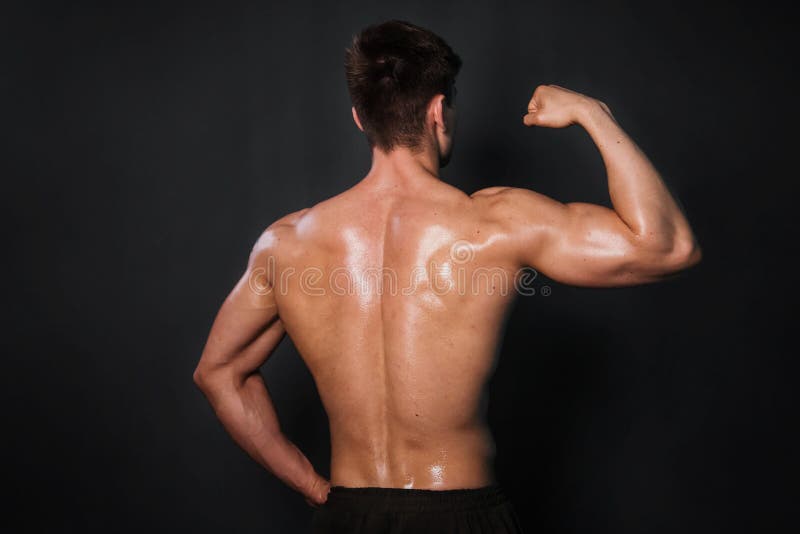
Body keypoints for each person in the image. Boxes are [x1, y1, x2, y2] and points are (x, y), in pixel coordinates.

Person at [192, 19, 702, 534]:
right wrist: (595, 114)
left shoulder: (286, 244)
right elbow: (668, 245)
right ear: (439, 111)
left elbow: (218, 373)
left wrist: (310, 484)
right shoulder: (495, 223)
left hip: (347, 516)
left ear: (359, 118)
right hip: (459, 515)